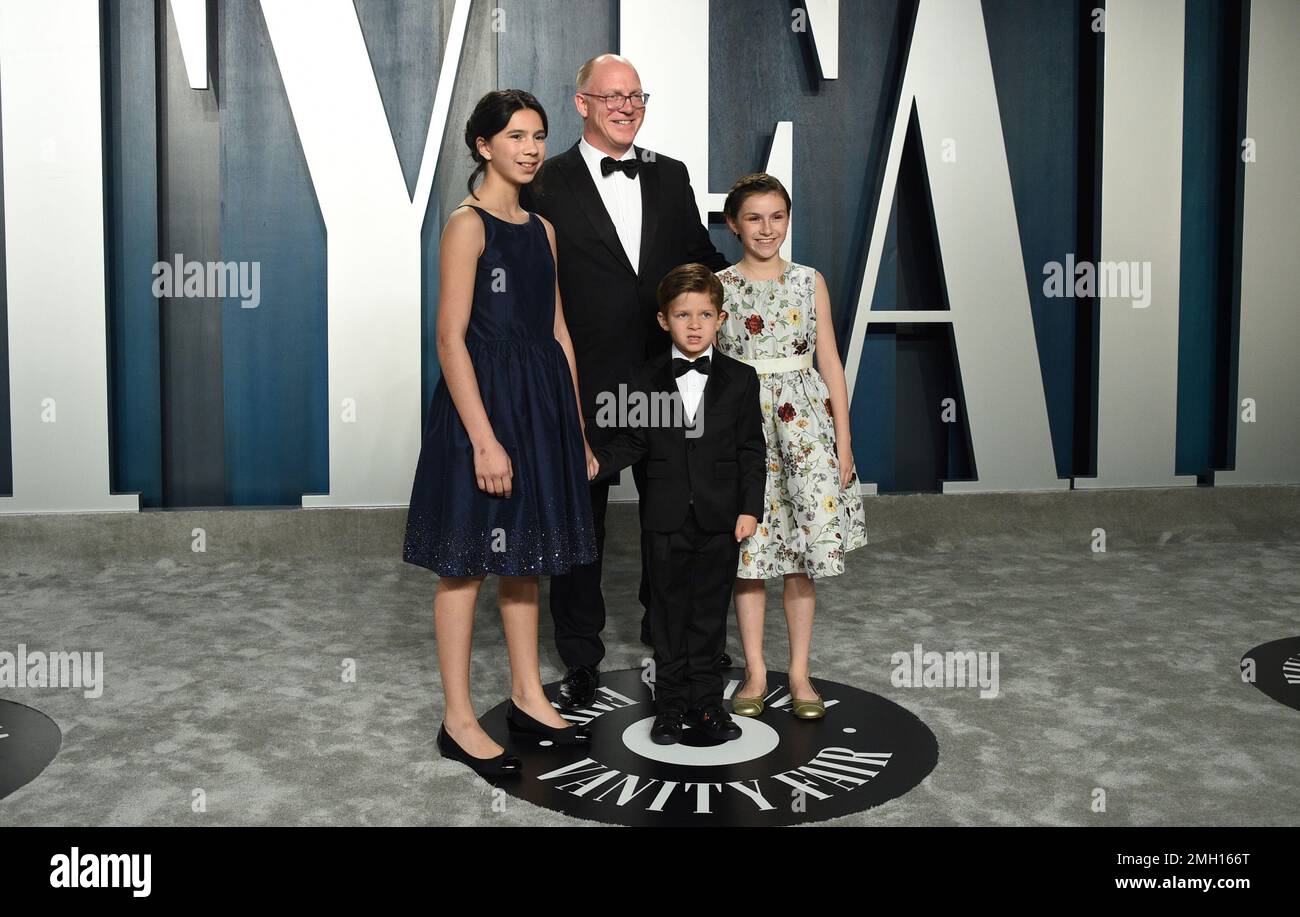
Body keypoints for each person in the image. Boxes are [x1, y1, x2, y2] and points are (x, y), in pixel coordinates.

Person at [519, 54, 732, 710]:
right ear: (581, 104)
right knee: (581, 527)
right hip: (580, 380)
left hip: (666, 382)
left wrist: (763, 275)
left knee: (670, 519)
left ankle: (667, 636)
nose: (625, 107)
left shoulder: (671, 176)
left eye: (635, 96)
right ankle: (580, 655)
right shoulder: (546, 182)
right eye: (611, 97)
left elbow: (701, 257)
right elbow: (529, 282)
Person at [402, 90, 600, 779]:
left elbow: (558, 333)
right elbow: (449, 339)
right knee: (466, 565)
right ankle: (458, 717)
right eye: (515, 135)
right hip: (481, 407)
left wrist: (575, 431)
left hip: (540, 405)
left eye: (539, 134)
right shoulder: (467, 224)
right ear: (483, 145)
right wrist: (484, 439)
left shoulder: (543, 230)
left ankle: (526, 693)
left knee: (526, 559)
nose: (530, 147)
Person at [714, 173, 868, 720]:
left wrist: (843, 439)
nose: (767, 228)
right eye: (754, 218)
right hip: (743, 428)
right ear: (733, 224)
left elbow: (829, 360)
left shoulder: (809, 281)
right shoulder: (720, 286)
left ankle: (799, 673)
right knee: (750, 557)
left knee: (801, 557)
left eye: (777, 216)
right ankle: (756, 671)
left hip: (805, 428)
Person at [590, 264, 766, 744]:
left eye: (704, 314)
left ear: (721, 318)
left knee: (710, 614)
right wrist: (590, 465)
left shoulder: (741, 379)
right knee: (667, 615)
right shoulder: (644, 377)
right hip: (664, 518)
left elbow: (752, 448)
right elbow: (631, 442)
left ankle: (707, 705)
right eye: (682, 315)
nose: (694, 325)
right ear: (663, 320)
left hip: (721, 517)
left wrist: (751, 509)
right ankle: (669, 707)